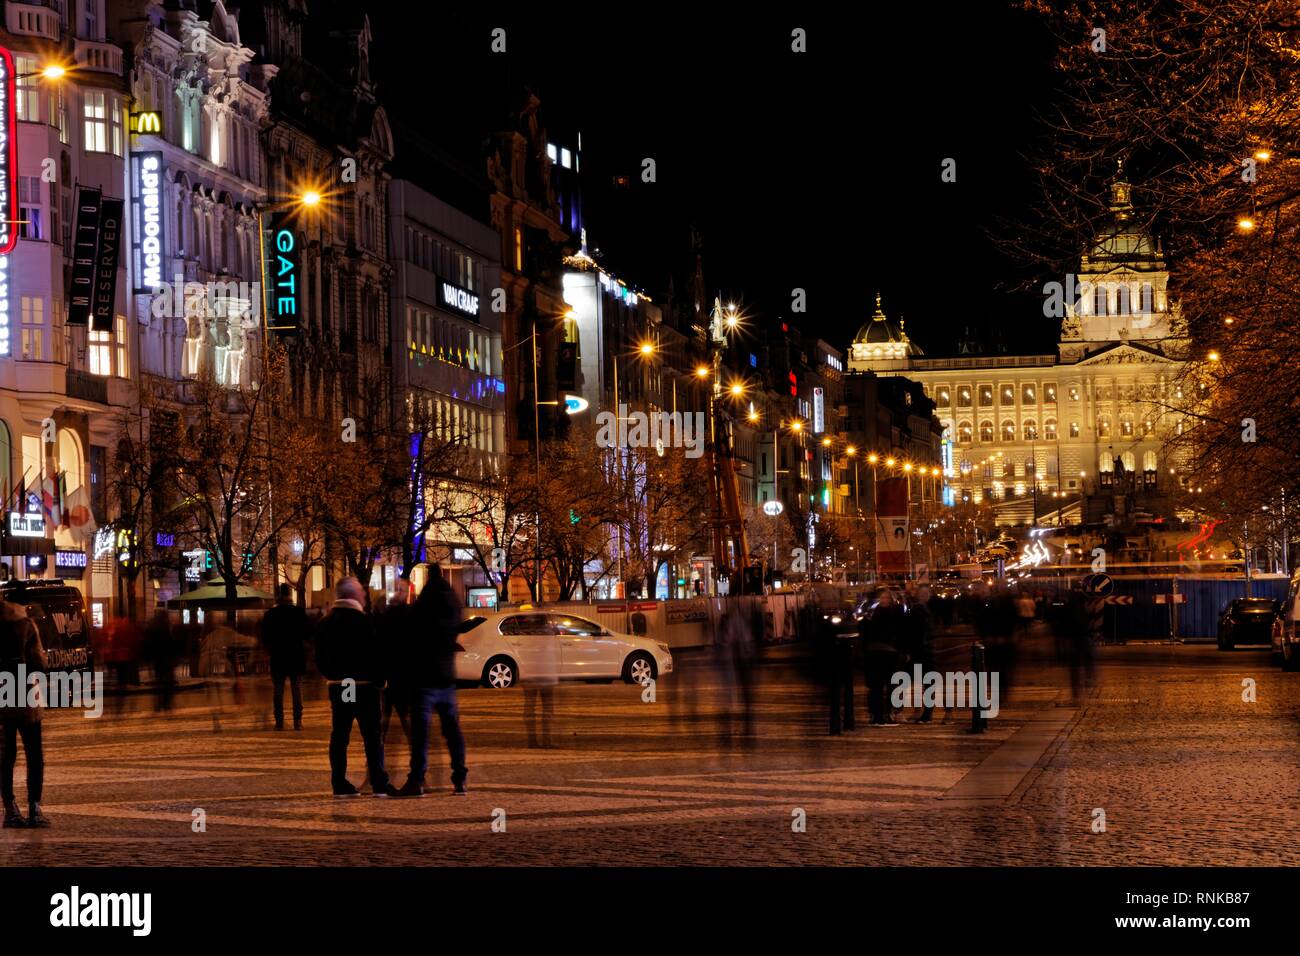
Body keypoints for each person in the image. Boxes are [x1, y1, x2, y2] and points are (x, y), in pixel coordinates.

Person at [314, 578, 396, 798]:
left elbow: (319, 657)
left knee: (340, 734)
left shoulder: (325, 623)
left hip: (341, 686)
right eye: (361, 592)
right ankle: (379, 782)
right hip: (363, 686)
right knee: (371, 735)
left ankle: (339, 782)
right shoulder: (365, 622)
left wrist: (333, 675)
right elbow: (378, 656)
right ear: (354, 596)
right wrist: (380, 681)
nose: (364, 596)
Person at [396, 566, 468, 797]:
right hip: (446, 677)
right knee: (453, 732)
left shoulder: (422, 608)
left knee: (421, 735)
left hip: (424, 678)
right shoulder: (453, 608)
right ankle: (460, 779)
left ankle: (416, 780)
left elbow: (408, 635)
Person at [0, 598, 49, 827]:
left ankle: (10, 808)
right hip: (25, 695)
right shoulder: (26, 623)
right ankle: (34, 807)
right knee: (34, 753)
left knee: (5, 756)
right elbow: (39, 661)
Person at [259, 584, 310, 730]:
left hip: (278, 655)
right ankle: (297, 721)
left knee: (278, 689)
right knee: (296, 688)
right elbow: (307, 633)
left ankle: (279, 722)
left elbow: (265, 637)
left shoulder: (270, 614)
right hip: (296, 654)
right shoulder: (298, 613)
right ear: (290, 595)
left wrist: (270, 649)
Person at [860, 588, 904, 726]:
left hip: (887, 651)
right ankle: (878, 715)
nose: (884, 600)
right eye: (882, 598)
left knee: (888, 685)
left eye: (887, 598)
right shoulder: (877, 613)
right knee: (878, 686)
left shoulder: (892, 613)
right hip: (879, 652)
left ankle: (884, 714)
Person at [376, 585, 413, 745]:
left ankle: (380, 742)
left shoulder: (384, 619)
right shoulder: (408, 618)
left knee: (385, 713)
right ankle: (414, 746)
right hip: (403, 676)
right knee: (405, 714)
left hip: (387, 676)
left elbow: (379, 647)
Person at [905, 586, 937, 723]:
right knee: (926, 682)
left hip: (921, 650)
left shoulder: (920, 609)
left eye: (926, 593)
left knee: (920, 682)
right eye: (922, 593)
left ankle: (924, 713)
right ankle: (925, 712)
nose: (925, 596)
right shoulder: (923, 610)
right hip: (922, 650)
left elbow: (913, 631)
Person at [142, 608, 179, 713]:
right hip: (166, 658)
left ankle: (159, 703)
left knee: (159, 681)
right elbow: (170, 643)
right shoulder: (165, 628)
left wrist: (148, 658)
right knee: (168, 682)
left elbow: (147, 644)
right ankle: (166, 703)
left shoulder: (153, 627)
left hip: (158, 659)